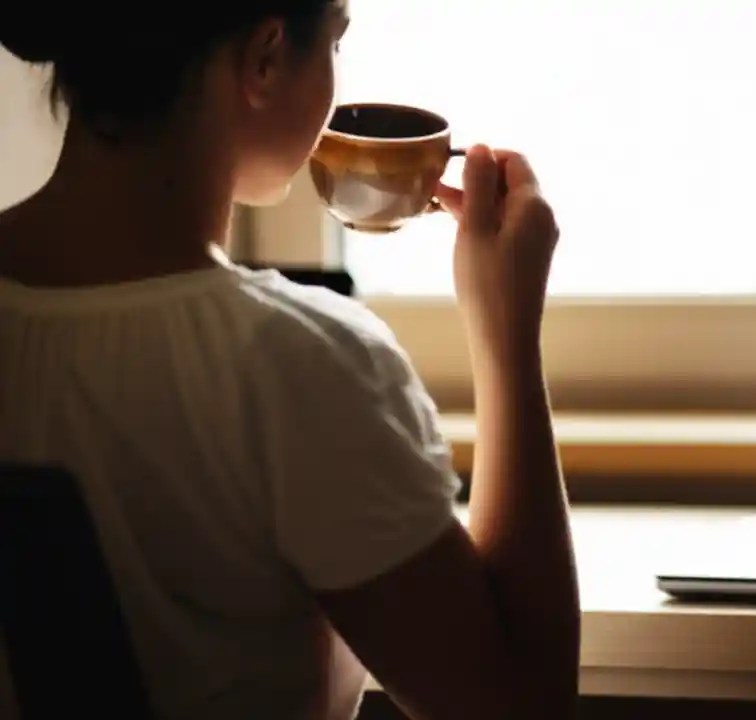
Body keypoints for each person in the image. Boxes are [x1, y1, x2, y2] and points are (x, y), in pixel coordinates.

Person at [0, 1, 579, 719]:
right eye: (334, 41)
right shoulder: (300, 368)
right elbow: (523, 706)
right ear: (266, 58)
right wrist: (508, 333)